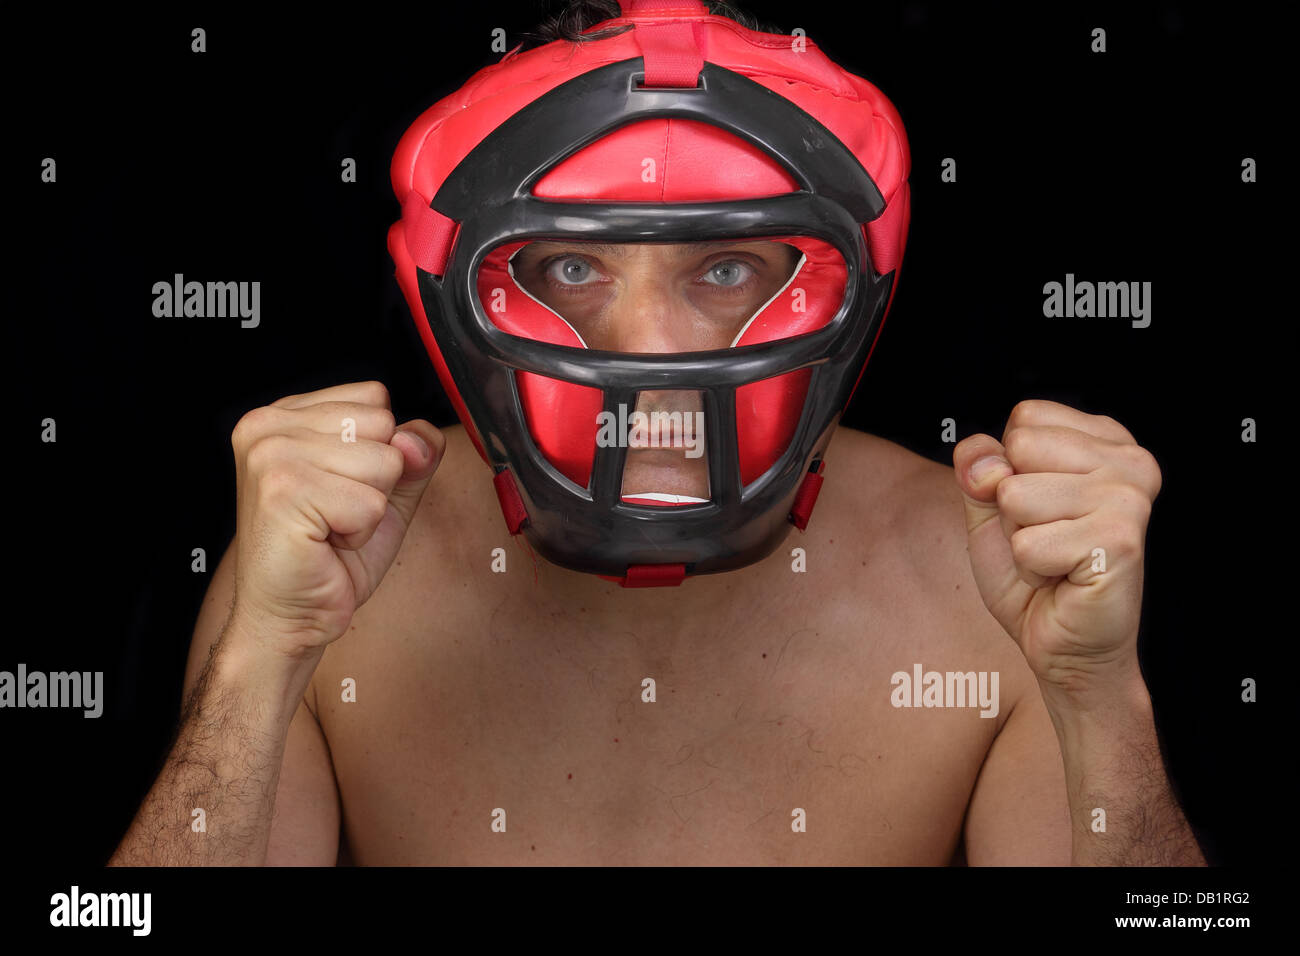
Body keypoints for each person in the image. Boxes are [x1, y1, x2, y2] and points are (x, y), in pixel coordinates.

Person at [109, 0, 1204, 866]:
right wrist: (257, 666)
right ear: (465, 300)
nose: (651, 356)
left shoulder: (982, 587)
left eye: (724, 268)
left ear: (837, 293)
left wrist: (1102, 705)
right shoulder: (336, 575)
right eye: (573, 268)